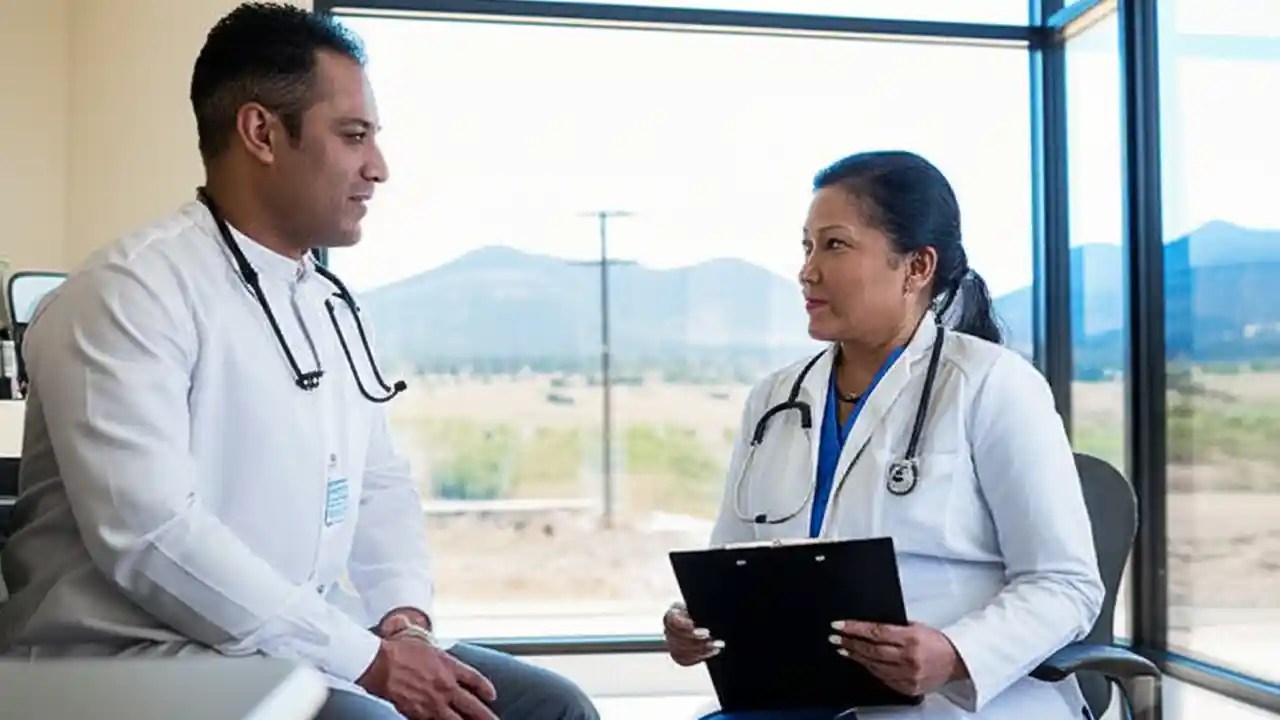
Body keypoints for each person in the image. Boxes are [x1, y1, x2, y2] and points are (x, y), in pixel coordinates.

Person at [0, 4, 598, 719]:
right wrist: (371, 664)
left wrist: (403, 622)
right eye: (353, 136)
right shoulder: (126, 296)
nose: (378, 167)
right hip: (137, 659)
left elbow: (379, 486)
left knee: (552, 708)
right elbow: (154, 537)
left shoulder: (329, 305)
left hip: (302, 645)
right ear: (261, 133)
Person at [662, 151, 1104, 720]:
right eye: (806, 246)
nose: (808, 270)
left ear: (917, 267)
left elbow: (1067, 584)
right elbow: (729, 565)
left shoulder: (992, 385)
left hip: (950, 706)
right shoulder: (775, 400)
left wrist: (954, 653)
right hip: (791, 700)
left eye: (835, 245)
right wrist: (696, 621)